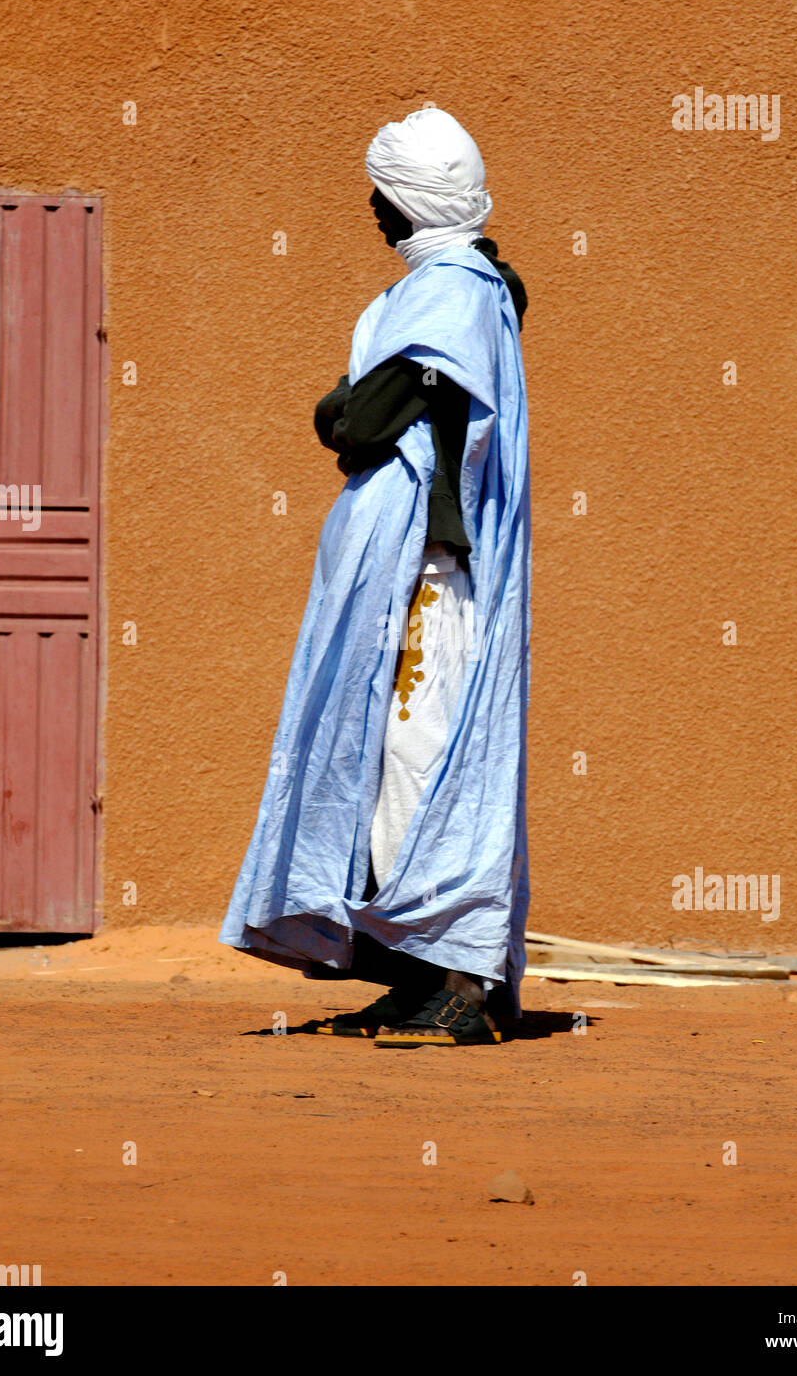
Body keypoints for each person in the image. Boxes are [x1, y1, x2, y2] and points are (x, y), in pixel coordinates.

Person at [220, 107, 531, 1047]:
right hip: (410, 574)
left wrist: (347, 407)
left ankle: (463, 982)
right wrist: (352, 405)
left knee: (419, 763)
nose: (371, 209)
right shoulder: (454, 293)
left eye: (382, 195)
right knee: (384, 765)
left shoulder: (452, 297)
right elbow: (357, 412)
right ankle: (413, 974)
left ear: (410, 200)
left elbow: (353, 423)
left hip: (434, 578)